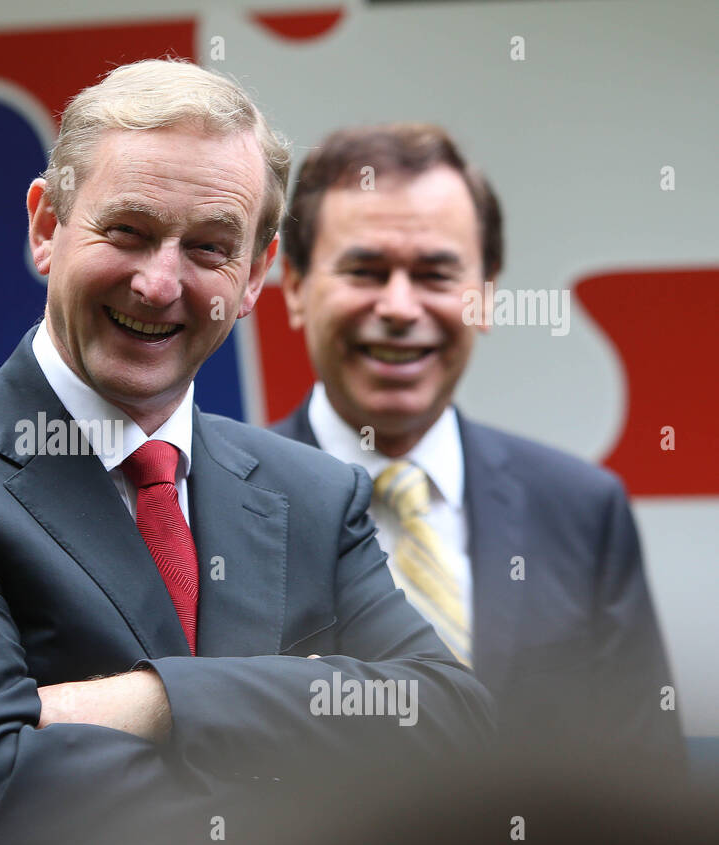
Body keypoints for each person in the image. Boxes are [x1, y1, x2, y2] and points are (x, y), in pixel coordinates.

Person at [0, 61, 495, 845]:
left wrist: (154, 704)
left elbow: (457, 728)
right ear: (45, 226)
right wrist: (301, 729)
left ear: (254, 276)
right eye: (127, 231)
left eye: (208, 246)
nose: (159, 283)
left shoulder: (310, 493)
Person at [269, 123, 683, 773]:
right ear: (293, 287)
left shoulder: (583, 510)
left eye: (435, 273)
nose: (400, 307)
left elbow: (646, 780)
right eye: (365, 270)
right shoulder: (214, 503)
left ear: (485, 294)